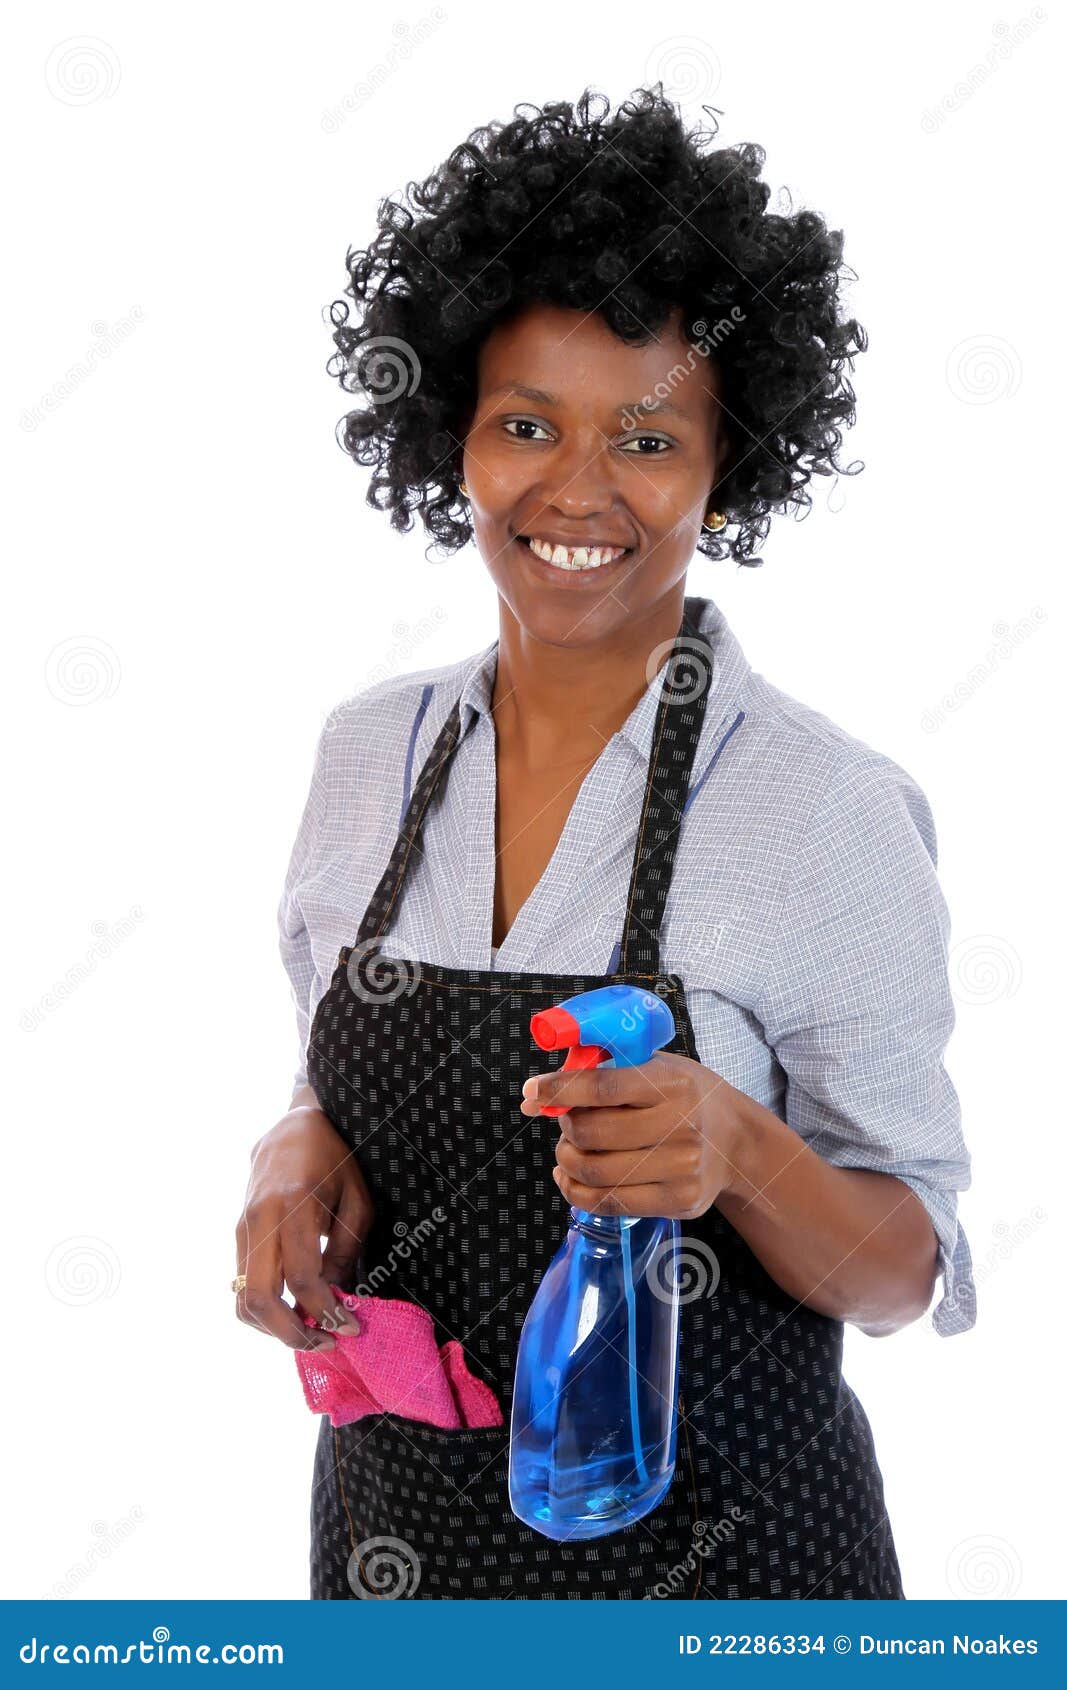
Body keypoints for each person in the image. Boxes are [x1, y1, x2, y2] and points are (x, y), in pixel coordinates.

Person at [233, 85, 975, 1601]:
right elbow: (334, 1062)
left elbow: (906, 1274)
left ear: (726, 461)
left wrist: (742, 1149)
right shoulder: (367, 757)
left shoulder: (823, 806)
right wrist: (296, 1138)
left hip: (741, 1583)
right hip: (402, 1564)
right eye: (526, 425)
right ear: (453, 436)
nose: (576, 489)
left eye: (645, 437)